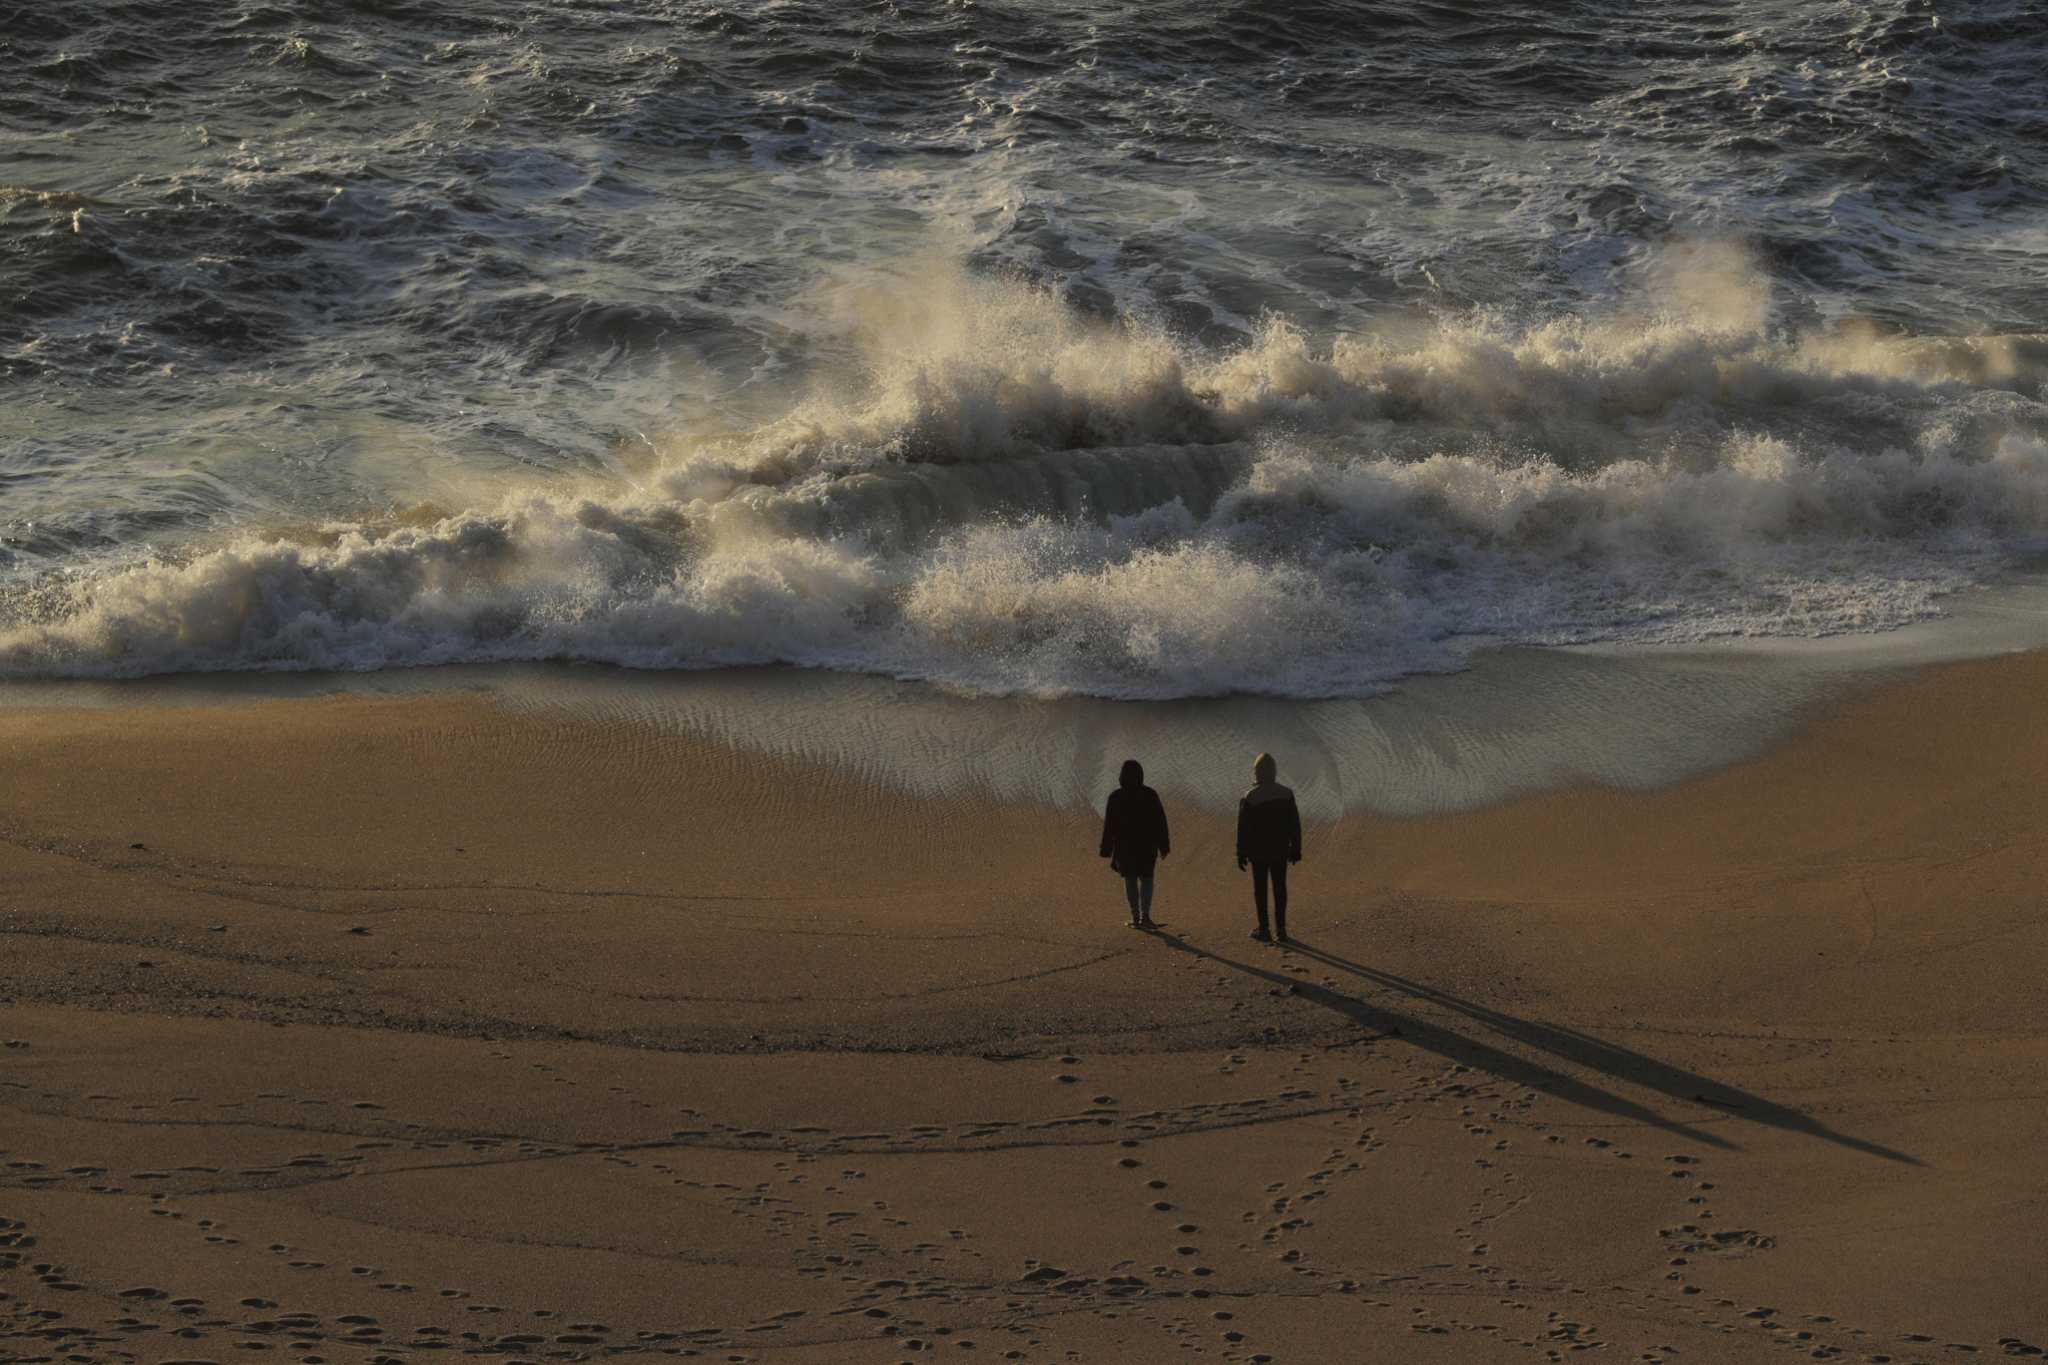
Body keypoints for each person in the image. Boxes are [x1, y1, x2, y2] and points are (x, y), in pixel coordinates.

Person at [1236, 752, 1301, 943]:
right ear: (1274, 771)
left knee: (1260, 889)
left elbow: (1243, 828)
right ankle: (1281, 930)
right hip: (1280, 849)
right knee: (1280, 888)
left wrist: (1241, 852)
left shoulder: (1250, 796)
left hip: (1258, 851)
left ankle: (1264, 928)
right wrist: (1296, 847)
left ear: (1257, 772)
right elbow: (1294, 824)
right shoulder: (1287, 794)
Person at [1099, 758, 1170, 929]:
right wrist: (1164, 845)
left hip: (1125, 847)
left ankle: (1136, 916)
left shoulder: (1116, 797)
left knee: (1130, 880)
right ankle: (1145, 917)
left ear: (1121, 776)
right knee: (1147, 879)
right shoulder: (1150, 794)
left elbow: (1110, 825)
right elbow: (1160, 821)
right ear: (1141, 775)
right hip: (1147, 846)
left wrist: (1106, 849)